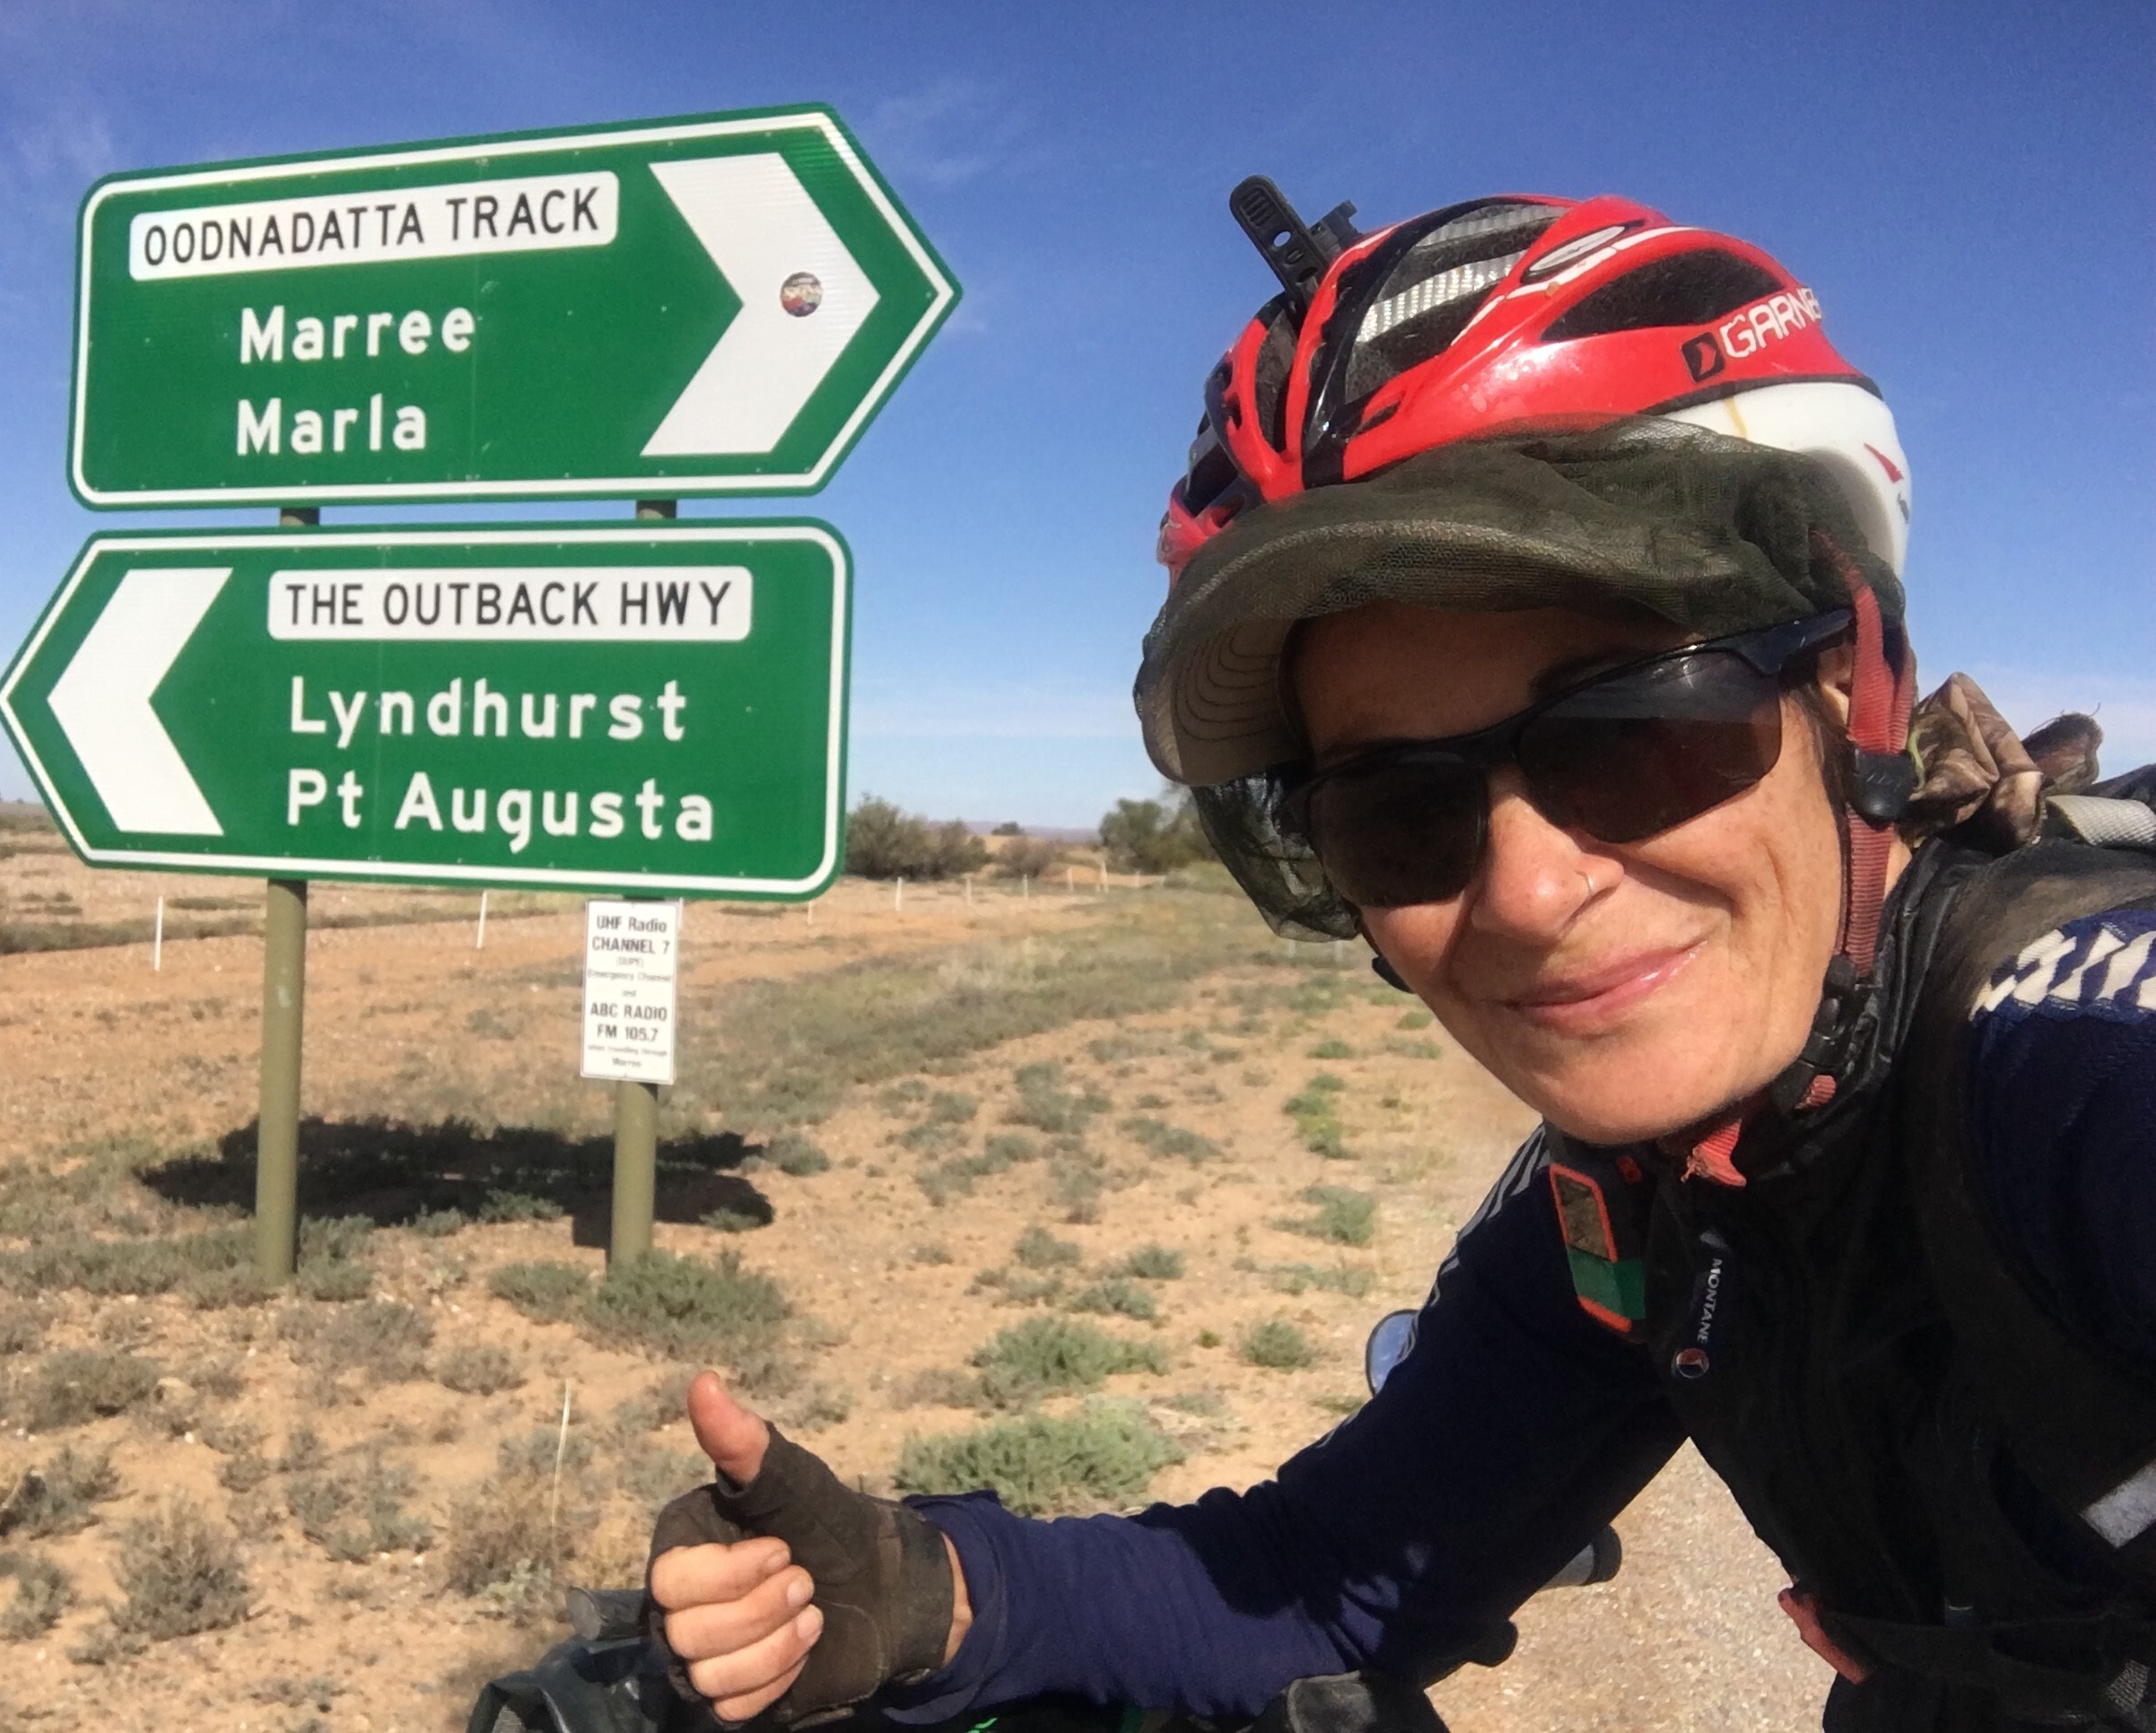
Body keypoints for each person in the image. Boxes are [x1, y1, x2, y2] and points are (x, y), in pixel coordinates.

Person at [645, 188, 2156, 1733]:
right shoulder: (1639, 1199)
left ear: (1856, 690)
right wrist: (920, 1593)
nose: (1526, 891)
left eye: (1638, 733)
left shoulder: (2076, 1073)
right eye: (1395, 808)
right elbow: (1336, 1574)